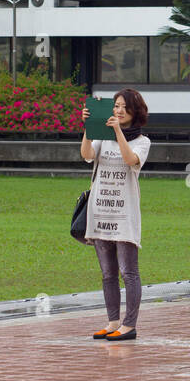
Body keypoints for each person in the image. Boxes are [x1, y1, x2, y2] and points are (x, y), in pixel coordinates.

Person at [80, 88, 151, 340]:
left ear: (135, 112)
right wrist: (89, 127)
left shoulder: (142, 142)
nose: (119, 111)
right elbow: (87, 155)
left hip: (124, 214)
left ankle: (129, 325)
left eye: (124, 107)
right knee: (108, 273)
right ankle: (112, 322)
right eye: (116, 106)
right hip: (101, 211)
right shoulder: (102, 135)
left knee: (128, 271)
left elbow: (130, 159)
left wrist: (117, 131)